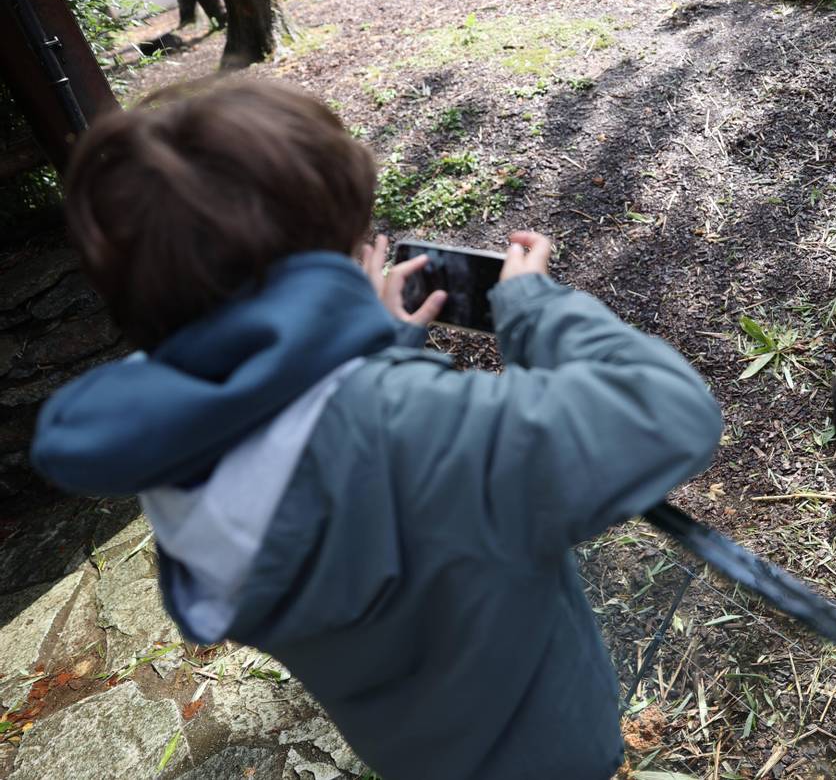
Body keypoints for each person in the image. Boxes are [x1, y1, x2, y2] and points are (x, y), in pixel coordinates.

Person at [31, 80, 723, 780]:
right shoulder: (410, 430)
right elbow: (670, 411)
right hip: (552, 747)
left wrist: (370, 344)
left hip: (414, 749)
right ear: (327, 259)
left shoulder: (172, 446)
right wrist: (533, 306)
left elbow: (306, 434)